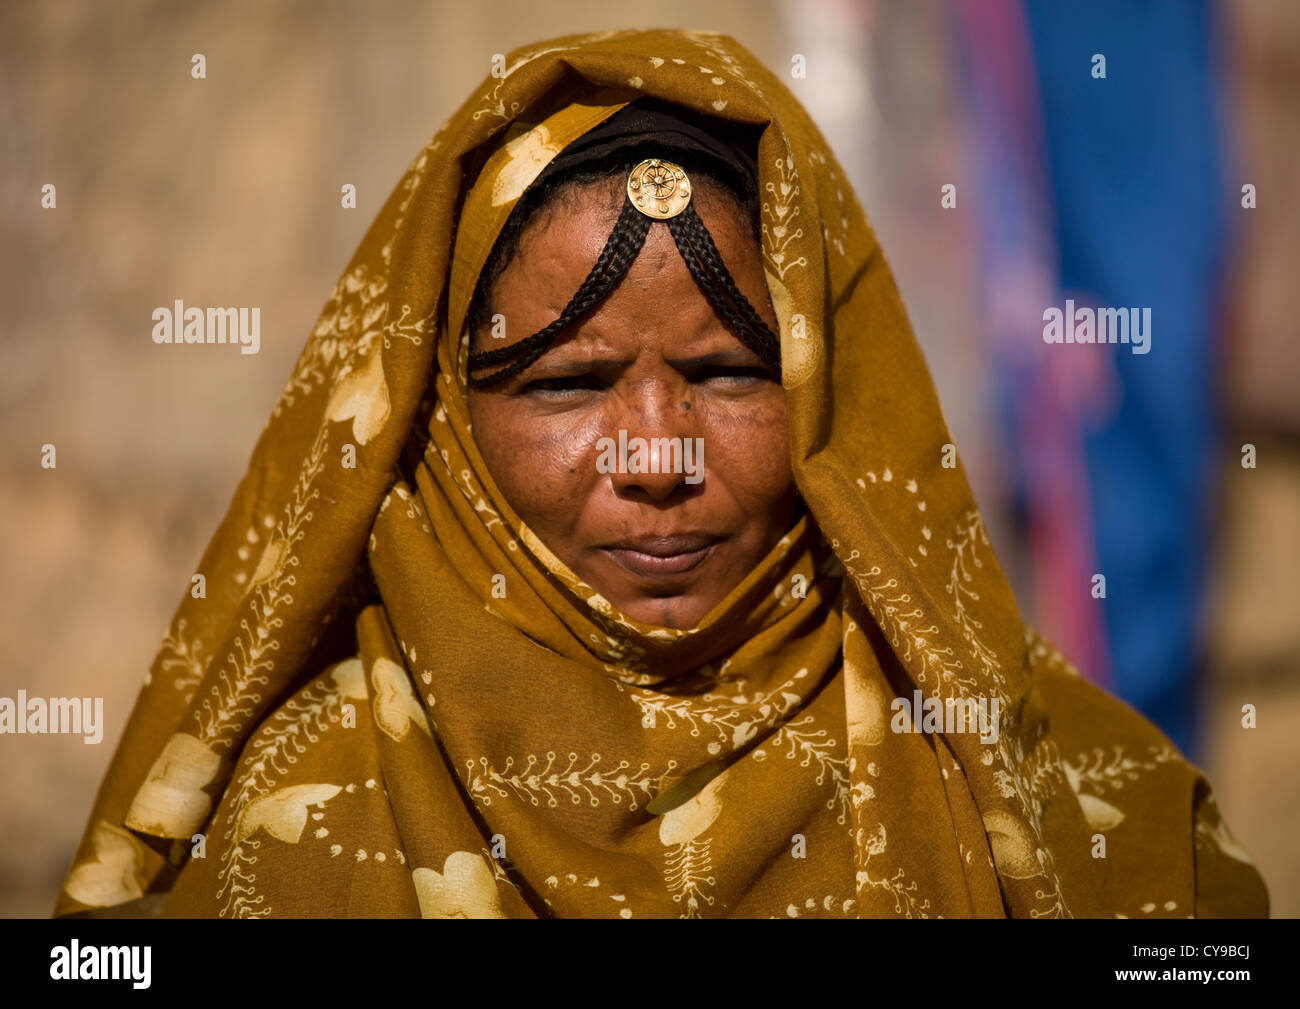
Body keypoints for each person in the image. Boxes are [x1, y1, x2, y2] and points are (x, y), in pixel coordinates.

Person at [53, 28, 1267, 918]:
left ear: (832, 408)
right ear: (444, 421)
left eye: (730, 374)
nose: (656, 456)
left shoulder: (1088, 815)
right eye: (568, 385)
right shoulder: (297, 829)